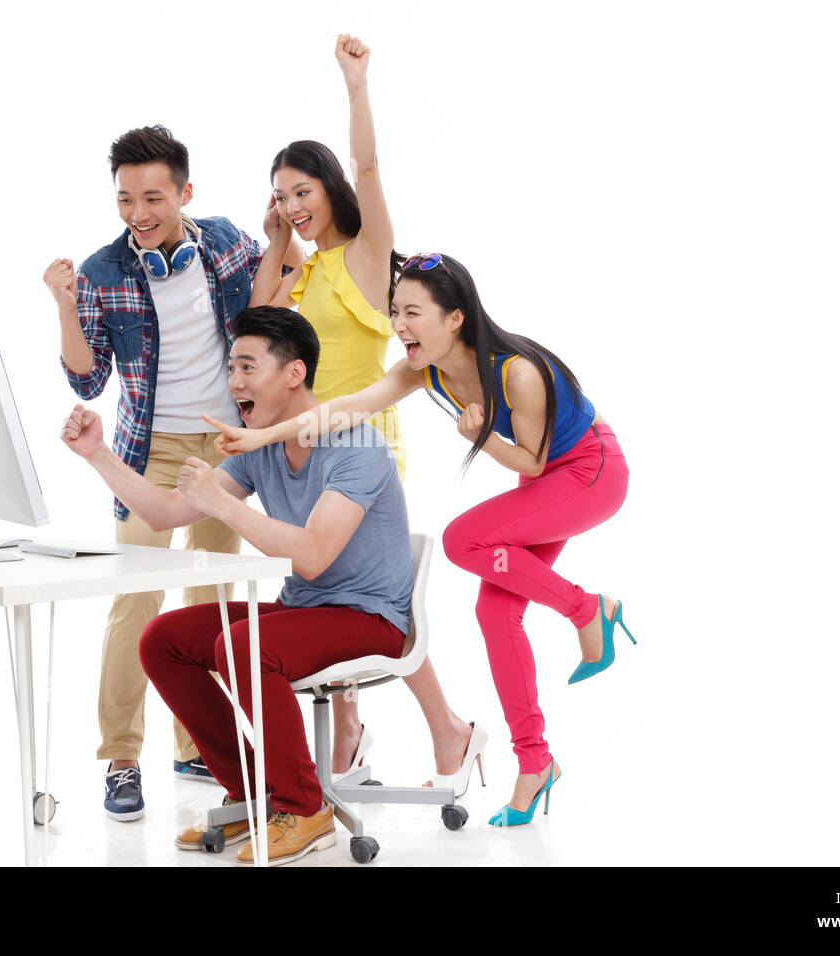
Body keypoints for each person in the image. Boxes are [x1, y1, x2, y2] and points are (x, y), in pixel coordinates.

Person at [212, 254, 634, 827]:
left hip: (589, 471)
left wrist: (477, 435)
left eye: (412, 311)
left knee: (464, 540)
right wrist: (259, 432)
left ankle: (590, 610)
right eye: (394, 311)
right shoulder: (421, 368)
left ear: (454, 318)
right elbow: (346, 409)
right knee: (494, 612)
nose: (398, 324)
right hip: (546, 478)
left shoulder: (517, 373)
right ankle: (536, 764)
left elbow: (533, 461)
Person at [60, 306, 414, 866]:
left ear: (294, 373)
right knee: (163, 638)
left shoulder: (357, 445)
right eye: (231, 368)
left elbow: (315, 555)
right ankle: (253, 792)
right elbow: (165, 512)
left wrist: (221, 503)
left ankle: (304, 809)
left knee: (243, 643)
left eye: (247, 367)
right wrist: (98, 455)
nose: (234, 382)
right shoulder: (262, 446)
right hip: (307, 613)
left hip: (372, 619)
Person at [240, 34, 487, 796]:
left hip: (359, 446)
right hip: (296, 448)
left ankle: (436, 728)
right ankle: (351, 730)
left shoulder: (368, 256)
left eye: (301, 192)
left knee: (370, 601)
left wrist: (355, 86)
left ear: (329, 186)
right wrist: (275, 245)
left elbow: (371, 170)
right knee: (327, 602)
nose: (292, 207)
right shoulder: (305, 266)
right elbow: (251, 334)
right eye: (280, 195)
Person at [42, 125, 302, 822]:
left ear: (185, 193)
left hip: (225, 449)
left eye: (153, 197)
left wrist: (278, 236)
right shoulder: (102, 271)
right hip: (148, 451)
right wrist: (66, 304)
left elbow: (271, 304)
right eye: (126, 199)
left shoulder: (223, 243)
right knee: (136, 602)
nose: (138, 213)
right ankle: (122, 757)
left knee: (214, 604)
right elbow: (88, 376)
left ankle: (195, 744)